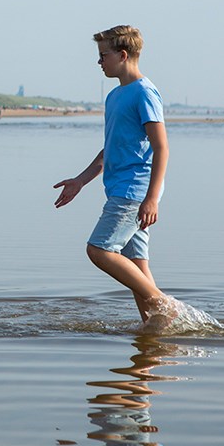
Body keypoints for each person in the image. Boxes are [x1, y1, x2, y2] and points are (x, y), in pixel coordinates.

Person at [53, 25, 173, 325]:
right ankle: (154, 333)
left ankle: (165, 306)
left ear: (122, 55)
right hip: (119, 189)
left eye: (103, 55)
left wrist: (152, 199)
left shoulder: (144, 93)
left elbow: (162, 148)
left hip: (133, 193)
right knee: (136, 268)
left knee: (99, 249)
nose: (99, 62)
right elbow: (111, 149)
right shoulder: (115, 96)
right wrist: (81, 180)